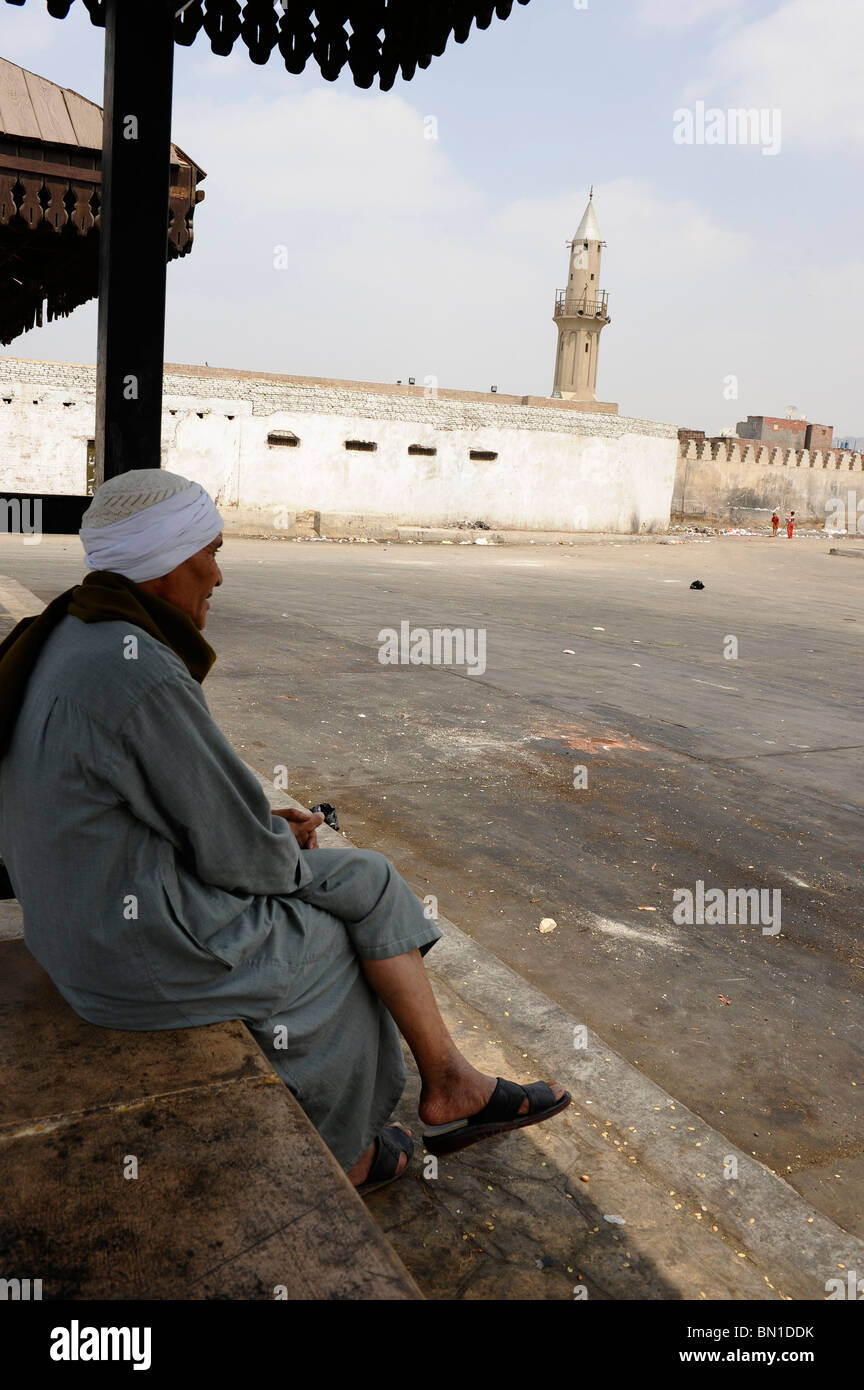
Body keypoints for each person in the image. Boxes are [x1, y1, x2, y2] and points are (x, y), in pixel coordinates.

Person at [0, 469, 568, 1194]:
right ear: (169, 566)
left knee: (367, 877)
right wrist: (274, 841)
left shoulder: (67, 634)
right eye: (211, 553)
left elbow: (160, 800)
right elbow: (242, 858)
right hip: (127, 955)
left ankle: (451, 1080)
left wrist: (261, 828)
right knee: (339, 945)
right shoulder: (139, 673)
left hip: (78, 921)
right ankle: (350, 1154)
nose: (219, 576)